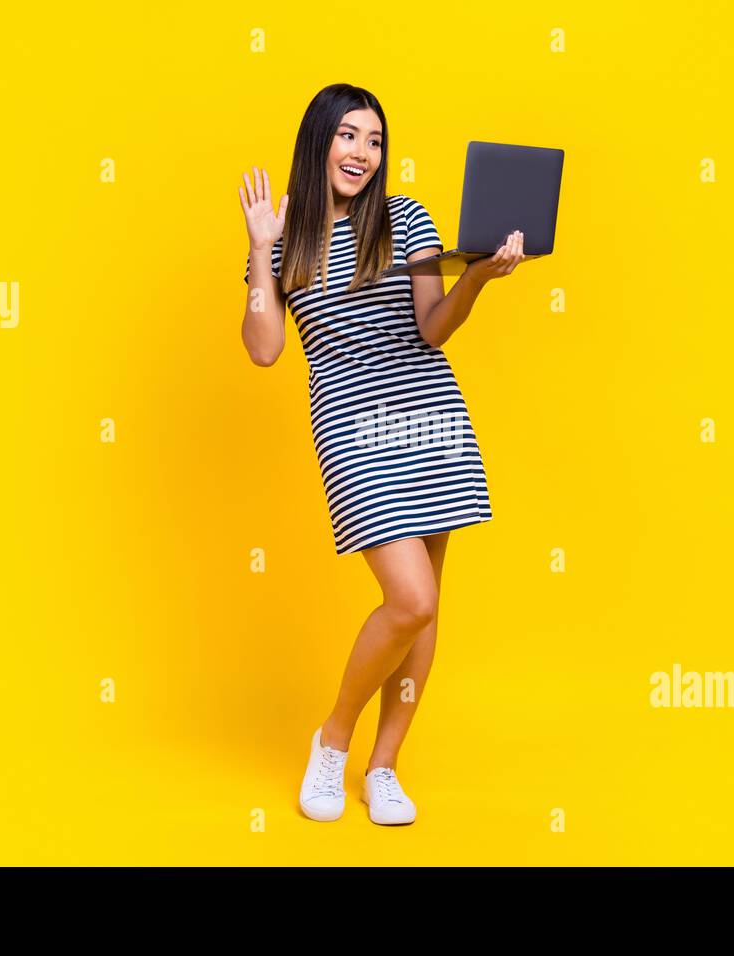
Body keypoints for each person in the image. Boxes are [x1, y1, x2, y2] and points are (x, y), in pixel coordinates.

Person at [239, 83, 526, 825]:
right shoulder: (288, 235)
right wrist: (260, 251)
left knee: (426, 613)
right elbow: (265, 350)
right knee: (411, 600)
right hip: (352, 426)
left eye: (374, 140)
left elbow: (433, 328)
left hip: (429, 416)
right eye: (348, 136)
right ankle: (333, 739)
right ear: (319, 142)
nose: (362, 153)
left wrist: (478, 278)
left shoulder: (406, 219)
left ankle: (386, 766)